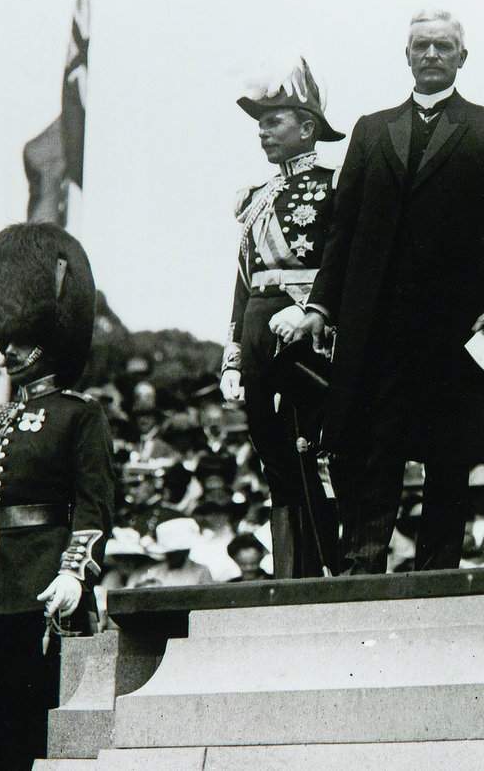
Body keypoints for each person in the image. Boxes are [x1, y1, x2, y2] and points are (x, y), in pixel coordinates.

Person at [293, 8, 484, 574]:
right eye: (421, 46)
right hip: (375, 321)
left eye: (443, 46)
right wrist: (323, 305)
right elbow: (342, 229)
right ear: (406, 56)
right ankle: (363, 563)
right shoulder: (371, 130)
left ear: (461, 57)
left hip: (457, 324)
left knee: (449, 452)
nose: (431, 55)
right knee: (372, 444)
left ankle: (438, 570)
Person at [0, 222, 115, 771]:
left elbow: (96, 502)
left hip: (48, 582)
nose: (9, 349)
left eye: (20, 340)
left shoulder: (80, 414)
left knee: (46, 719)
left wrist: (76, 571)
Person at [218, 57, 345, 578]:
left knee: (314, 457)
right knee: (276, 466)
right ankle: (293, 575)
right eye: (261, 124)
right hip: (257, 345)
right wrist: (232, 355)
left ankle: (328, 572)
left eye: (274, 121)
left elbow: (343, 266)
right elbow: (243, 283)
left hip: (310, 342)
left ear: (307, 126)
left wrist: (316, 312)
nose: (263, 134)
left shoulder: (338, 185)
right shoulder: (255, 198)